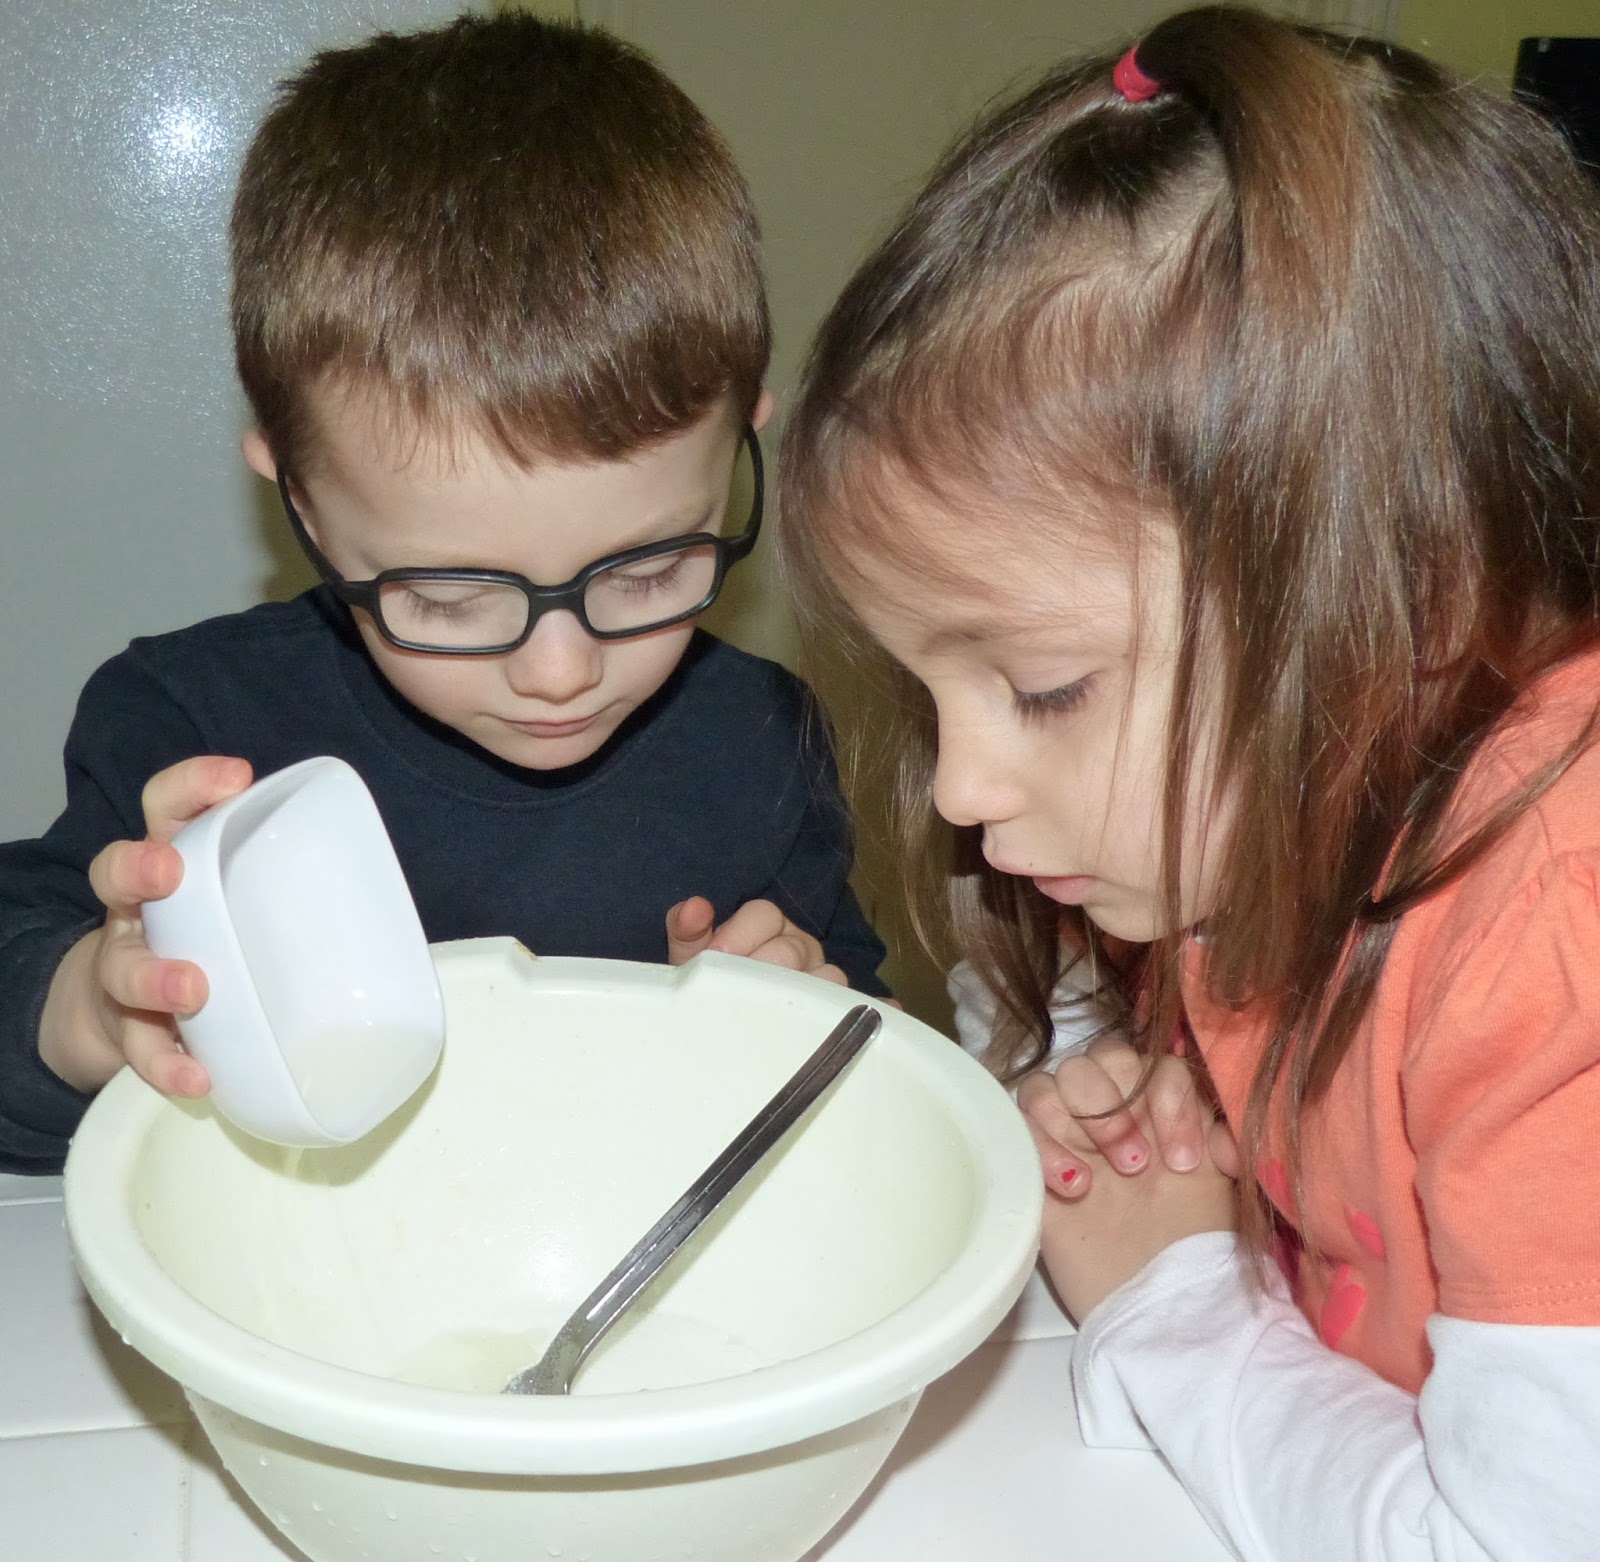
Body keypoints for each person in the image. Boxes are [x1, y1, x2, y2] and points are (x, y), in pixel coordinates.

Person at [776, 7, 1600, 1558]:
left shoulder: (1563, 928)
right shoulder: (1262, 797)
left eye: (1043, 687)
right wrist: (1123, 1093)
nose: (960, 791)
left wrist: (1175, 1302)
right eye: (931, 691)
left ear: (1399, 589)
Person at [0, 12, 886, 1177]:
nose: (561, 670)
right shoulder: (193, 732)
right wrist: (88, 1009)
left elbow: (875, 1050)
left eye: (645, 569)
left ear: (734, 452)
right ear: (306, 503)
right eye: (452, 595)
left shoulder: (762, 742)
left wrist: (804, 1015)